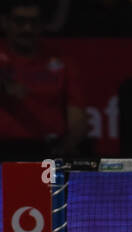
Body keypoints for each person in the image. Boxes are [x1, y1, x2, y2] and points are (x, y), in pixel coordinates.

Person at [0, 0, 87, 159]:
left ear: (42, 25)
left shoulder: (63, 63)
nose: (27, 28)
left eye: (34, 22)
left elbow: (77, 119)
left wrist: (64, 148)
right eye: (20, 21)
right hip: (4, 149)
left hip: (47, 150)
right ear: (5, 22)